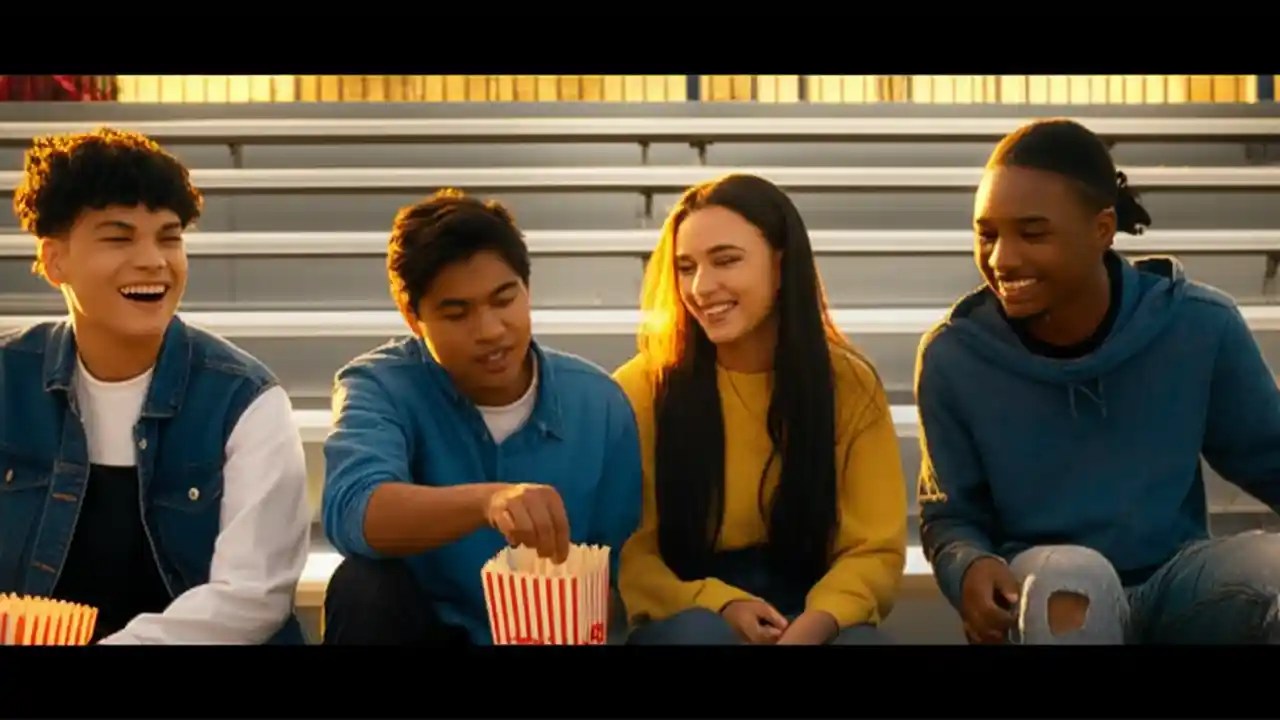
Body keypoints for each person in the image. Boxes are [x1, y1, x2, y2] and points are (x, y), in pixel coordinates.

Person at [917, 117, 1280, 645]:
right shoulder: (954, 355)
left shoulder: (1199, 324)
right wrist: (969, 566)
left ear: (1102, 229)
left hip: (1178, 582)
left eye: (1032, 233)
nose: (1001, 259)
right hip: (1049, 590)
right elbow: (950, 517)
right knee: (1072, 581)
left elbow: (1270, 457)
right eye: (987, 234)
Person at [1, 127, 311, 644]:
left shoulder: (246, 400)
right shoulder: (9, 380)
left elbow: (252, 596)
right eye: (119, 237)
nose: (154, 260)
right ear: (55, 260)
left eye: (169, 237)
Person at [320, 188, 643, 646]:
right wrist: (486, 503)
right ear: (413, 318)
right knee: (362, 584)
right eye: (457, 313)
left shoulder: (599, 403)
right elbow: (353, 509)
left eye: (504, 300)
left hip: (558, 636)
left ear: (527, 289)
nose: (490, 330)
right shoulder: (380, 387)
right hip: (430, 632)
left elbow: (624, 566)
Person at [612, 173, 908, 645]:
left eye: (726, 260)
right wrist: (722, 604)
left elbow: (873, 551)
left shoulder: (848, 384)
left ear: (781, 264)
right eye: (686, 267)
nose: (702, 287)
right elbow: (632, 556)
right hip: (691, 613)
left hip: (809, 610)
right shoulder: (640, 389)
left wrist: (815, 624)